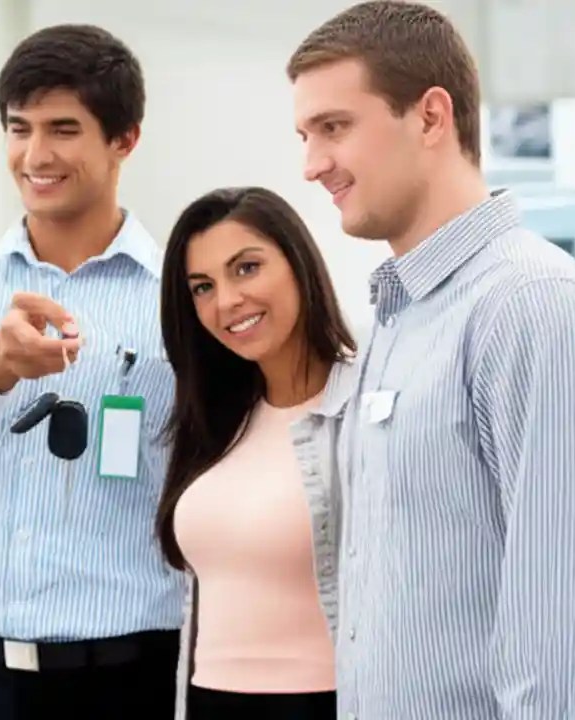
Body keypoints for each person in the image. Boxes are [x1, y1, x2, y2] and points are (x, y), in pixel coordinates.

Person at [288, 2, 575, 717]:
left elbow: (567, 639)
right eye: (306, 135)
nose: (312, 165)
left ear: (432, 117)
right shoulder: (398, 312)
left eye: (334, 128)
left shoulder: (532, 306)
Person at [0, 24, 185, 719]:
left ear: (125, 140)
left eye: (63, 129)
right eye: (18, 129)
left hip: (134, 678)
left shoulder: (181, 292)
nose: (35, 155)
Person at [156, 187, 355, 720]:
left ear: (298, 264)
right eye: (202, 287)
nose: (225, 302)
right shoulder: (219, 419)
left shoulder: (363, 411)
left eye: (246, 269)